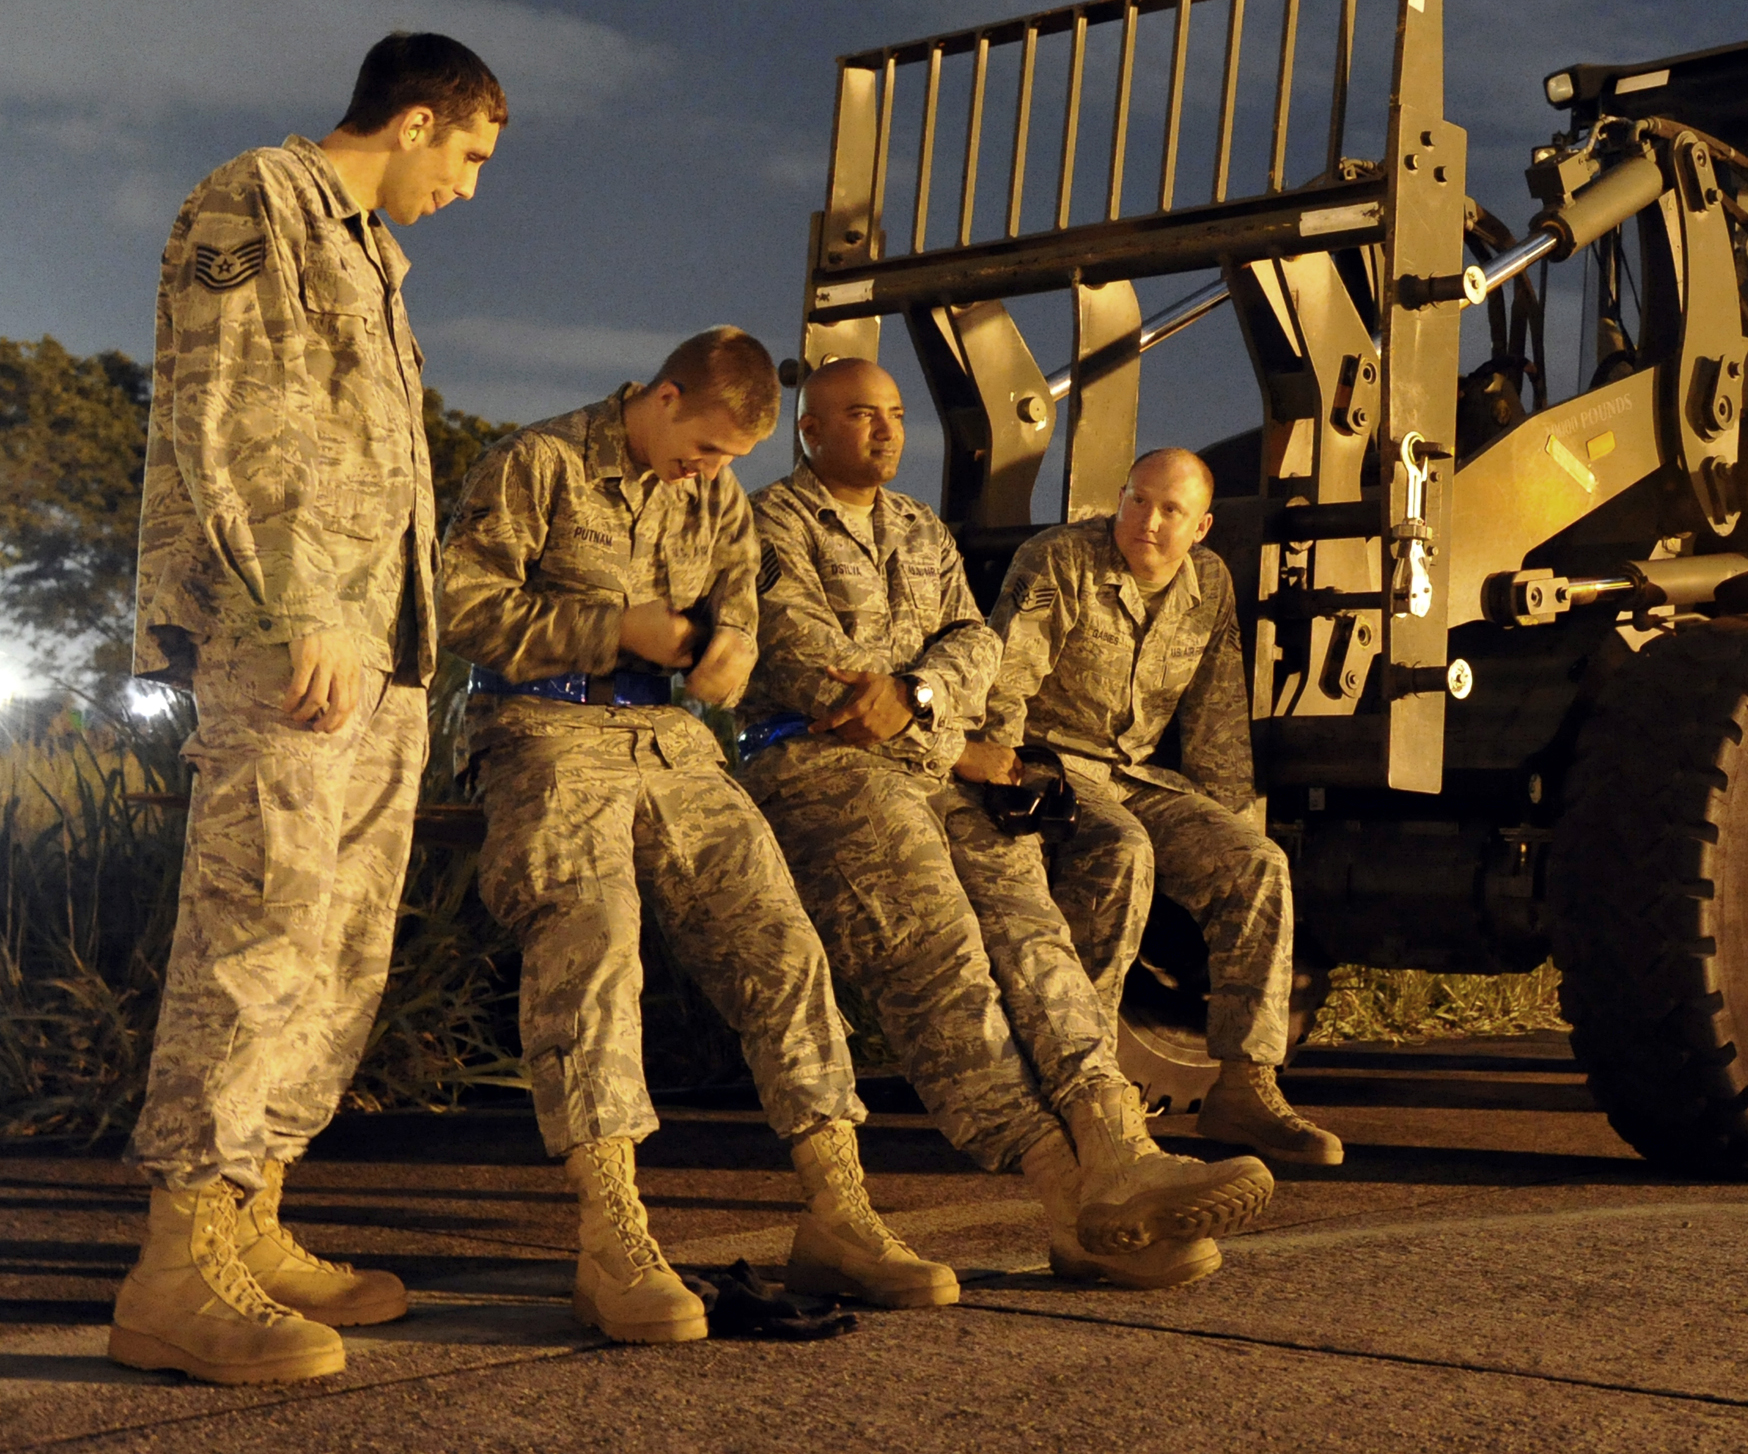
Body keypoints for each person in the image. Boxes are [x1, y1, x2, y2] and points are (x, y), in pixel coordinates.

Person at [114, 32, 505, 1385]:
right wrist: (296, 607)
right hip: (289, 637)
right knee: (257, 928)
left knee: (334, 949)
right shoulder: (259, 202)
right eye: (466, 155)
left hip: (379, 650)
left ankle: (253, 1218)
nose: (465, 188)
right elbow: (234, 418)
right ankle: (176, 1267)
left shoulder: (375, 256)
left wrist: (391, 634)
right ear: (412, 121)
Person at [439, 329, 957, 1339]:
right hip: (539, 724)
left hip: (668, 735)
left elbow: (740, 607)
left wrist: (728, 652)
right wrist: (613, 628)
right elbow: (457, 604)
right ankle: (612, 1235)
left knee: (778, 935)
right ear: (664, 396)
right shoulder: (537, 463)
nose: (712, 473)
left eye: (730, 460)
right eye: (707, 448)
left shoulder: (715, 498)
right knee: (592, 937)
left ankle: (839, 1207)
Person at [742, 360, 1274, 1289]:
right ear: (810, 429)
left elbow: (971, 642)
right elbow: (817, 677)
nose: (886, 431)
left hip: (932, 763)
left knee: (1029, 923)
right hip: (826, 773)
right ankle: (1069, 1196)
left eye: (897, 415)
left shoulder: (918, 529)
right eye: (861, 415)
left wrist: (920, 691)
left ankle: (1115, 1141)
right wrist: (932, 716)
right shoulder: (772, 523)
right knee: (941, 945)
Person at [965, 449, 1342, 1168]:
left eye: (1170, 510)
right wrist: (1000, 788)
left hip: (1135, 774)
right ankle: (1088, 1091)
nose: (1147, 520)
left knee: (1256, 864)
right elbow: (1002, 685)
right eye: (1137, 501)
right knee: (1122, 850)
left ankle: (1245, 1087)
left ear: (1200, 526)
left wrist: (1230, 822)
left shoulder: (1209, 585)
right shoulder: (1060, 560)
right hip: (1050, 764)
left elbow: (1217, 722)